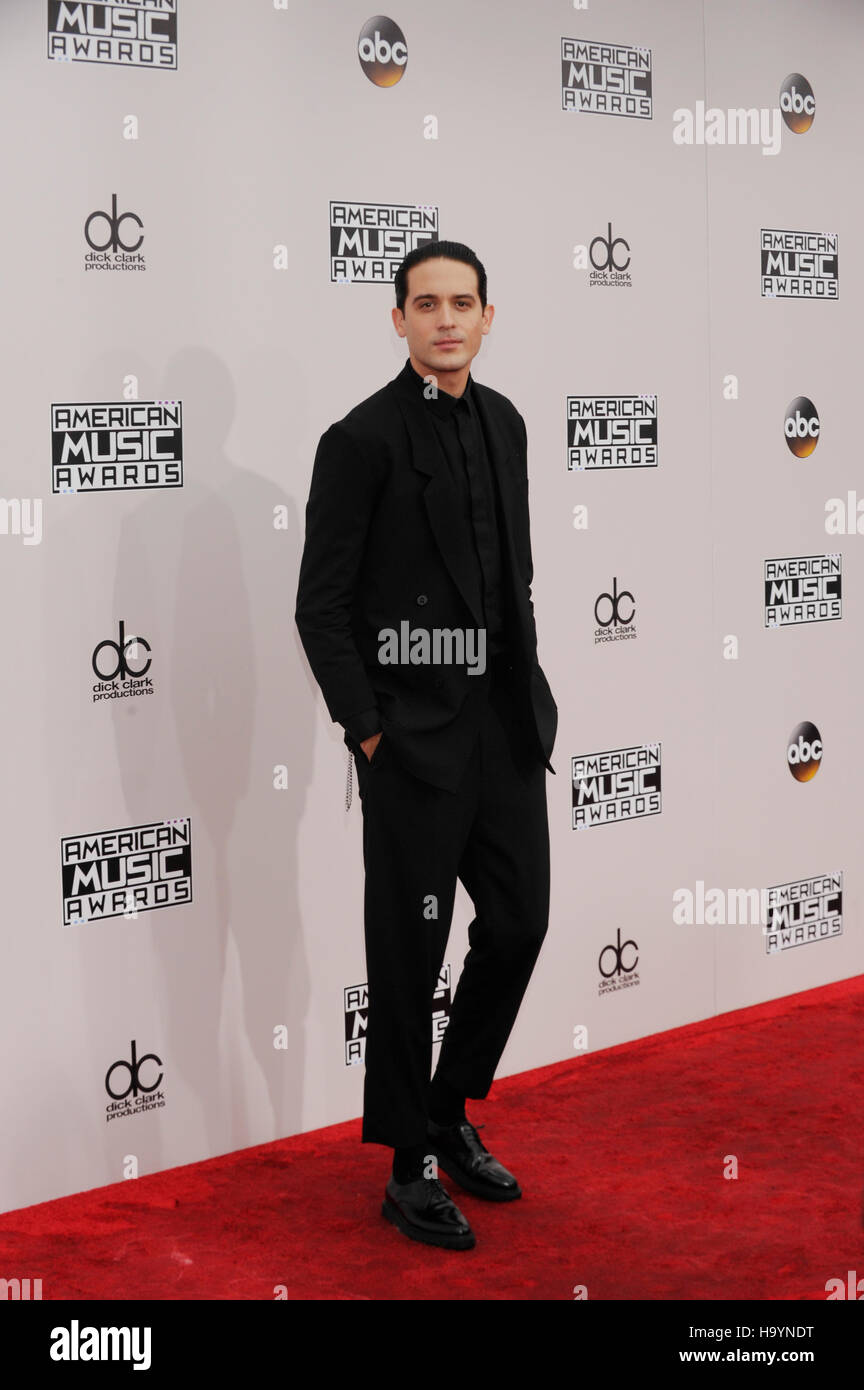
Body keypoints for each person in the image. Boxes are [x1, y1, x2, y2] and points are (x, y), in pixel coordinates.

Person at [295, 240, 557, 1250]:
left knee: (521, 924)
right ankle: (407, 1166)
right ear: (398, 320)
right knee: (409, 954)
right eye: (425, 304)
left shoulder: (508, 423)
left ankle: (447, 1111)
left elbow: (514, 581)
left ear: (489, 316)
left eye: (462, 303)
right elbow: (322, 607)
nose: (445, 319)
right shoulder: (358, 440)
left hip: (503, 728)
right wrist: (367, 729)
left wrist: (528, 697)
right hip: (410, 744)